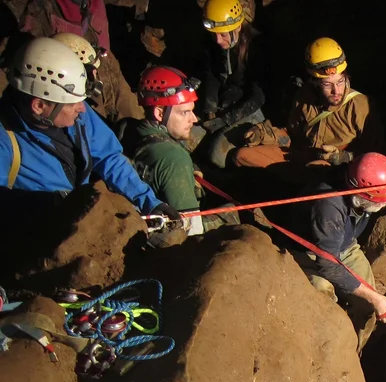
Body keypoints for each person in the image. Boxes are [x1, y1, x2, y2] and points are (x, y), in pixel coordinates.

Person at [0, 38, 170, 221]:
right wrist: (51, 202)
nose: (83, 108)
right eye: (73, 103)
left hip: (79, 218)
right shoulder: (5, 137)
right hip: (40, 234)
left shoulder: (76, 113)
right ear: (39, 106)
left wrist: (150, 203)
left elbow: (108, 157)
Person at [305, 151, 386, 347]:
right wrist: (376, 298)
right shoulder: (329, 207)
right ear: (362, 198)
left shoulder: (382, 175)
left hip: (347, 246)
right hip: (311, 252)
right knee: (324, 301)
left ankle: (355, 354)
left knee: (368, 309)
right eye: (382, 201)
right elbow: (328, 265)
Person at [232, 37, 381, 171]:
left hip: (335, 168)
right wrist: (261, 133)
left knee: (316, 169)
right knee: (242, 155)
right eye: (327, 85)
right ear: (315, 82)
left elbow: (376, 153)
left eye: (340, 82)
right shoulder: (304, 97)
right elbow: (290, 131)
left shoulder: (360, 105)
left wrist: (344, 157)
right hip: (302, 155)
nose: (336, 91)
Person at [126, 65, 229, 238]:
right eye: (184, 112)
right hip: (168, 239)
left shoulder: (129, 129)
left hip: (140, 220)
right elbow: (192, 231)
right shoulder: (174, 159)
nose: (194, 119)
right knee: (231, 213)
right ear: (160, 113)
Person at [7, 0, 143, 124]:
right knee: (89, 128)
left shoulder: (94, 5)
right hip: (72, 84)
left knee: (136, 119)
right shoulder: (39, 11)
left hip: (105, 65)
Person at [195, 0, 265, 168]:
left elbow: (258, 96)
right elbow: (211, 77)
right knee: (187, 137)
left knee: (217, 154)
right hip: (224, 103)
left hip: (251, 108)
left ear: (238, 27)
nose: (218, 40)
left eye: (223, 34)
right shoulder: (213, 44)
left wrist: (225, 120)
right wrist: (209, 109)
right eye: (214, 34)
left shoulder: (258, 48)